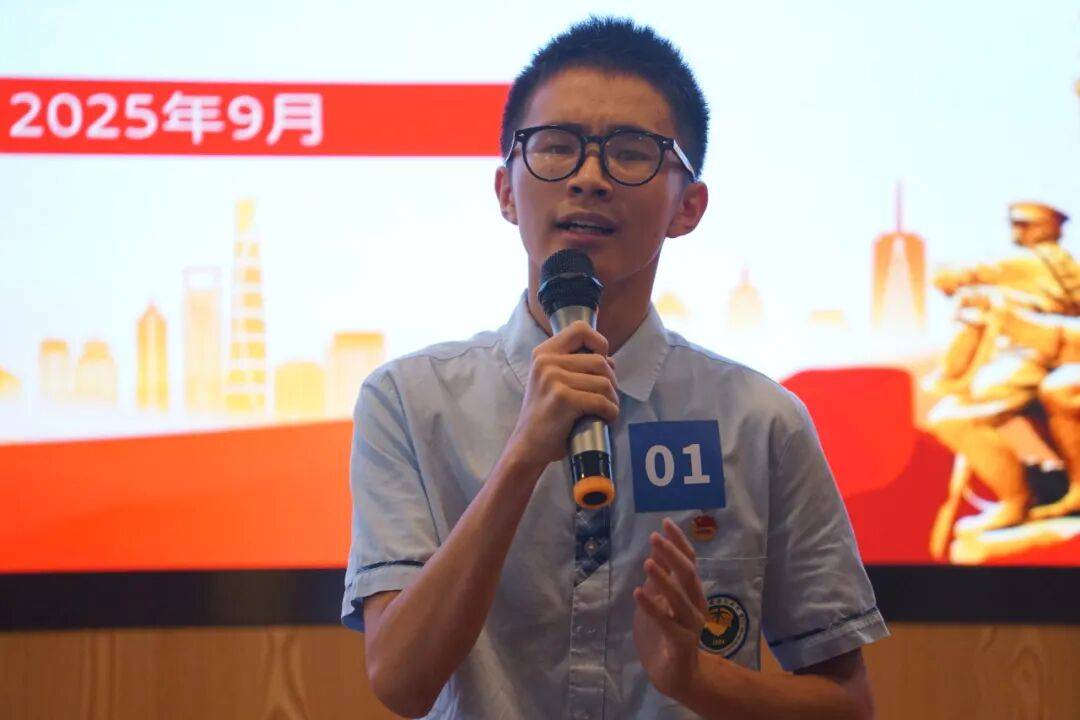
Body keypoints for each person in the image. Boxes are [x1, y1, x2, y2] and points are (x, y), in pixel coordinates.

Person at [342, 17, 888, 719]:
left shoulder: (759, 422)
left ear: (688, 206)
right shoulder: (409, 401)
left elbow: (848, 706)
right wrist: (522, 455)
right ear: (506, 191)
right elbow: (399, 680)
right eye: (557, 147)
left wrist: (696, 679)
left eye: (630, 154)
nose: (589, 178)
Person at [927, 202, 1080, 534]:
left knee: (954, 418)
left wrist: (957, 281)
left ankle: (1016, 499)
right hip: (1039, 357)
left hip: (1043, 358)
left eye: (1025, 225)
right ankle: (1033, 488)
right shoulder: (1053, 265)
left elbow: (954, 275)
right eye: (1016, 225)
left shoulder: (1033, 261)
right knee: (961, 411)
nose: (1017, 232)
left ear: (1049, 228)